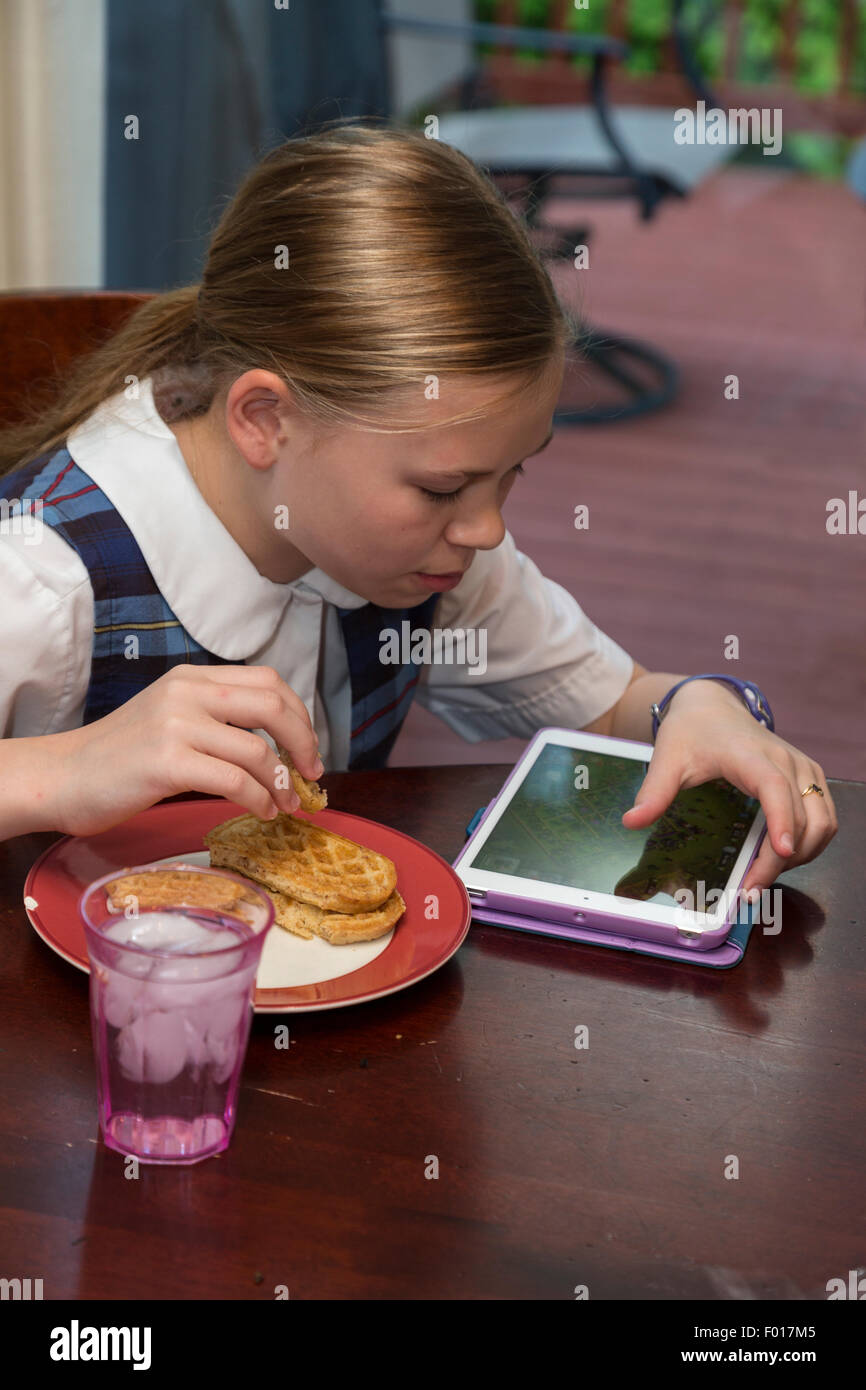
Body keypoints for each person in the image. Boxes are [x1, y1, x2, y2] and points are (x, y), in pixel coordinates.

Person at [0, 121, 836, 902]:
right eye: (443, 488)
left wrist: (696, 707)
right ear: (265, 421)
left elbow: (612, 700)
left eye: (510, 476)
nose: (487, 530)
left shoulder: (431, 549)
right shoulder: (45, 574)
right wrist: (59, 772)